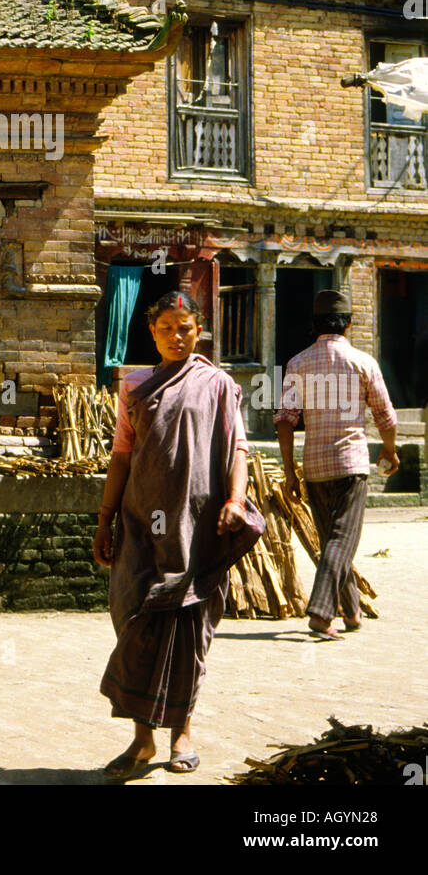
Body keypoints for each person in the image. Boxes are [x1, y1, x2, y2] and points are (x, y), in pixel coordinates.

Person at [94, 290, 264, 780]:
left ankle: (182, 734)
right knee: (133, 618)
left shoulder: (217, 385)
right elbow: (122, 456)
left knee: (188, 630)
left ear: (199, 329)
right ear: (152, 332)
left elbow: (237, 449)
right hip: (139, 525)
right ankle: (142, 740)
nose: (175, 336)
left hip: (195, 528)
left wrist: (235, 500)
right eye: (166, 327)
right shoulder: (135, 386)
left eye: (184, 327)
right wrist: (105, 520)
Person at [275, 288, 398, 639]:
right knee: (342, 540)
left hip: (314, 467)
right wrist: (389, 451)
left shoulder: (298, 362)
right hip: (351, 463)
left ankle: (353, 612)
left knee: (333, 540)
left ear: (315, 325)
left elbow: (285, 420)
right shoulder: (363, 362)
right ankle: (321, 612)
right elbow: (386, 417)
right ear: (348, 325)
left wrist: (289, 471)